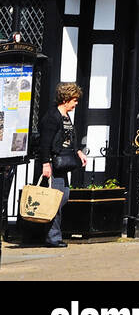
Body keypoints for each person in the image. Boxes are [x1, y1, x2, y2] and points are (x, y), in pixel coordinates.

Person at [38, 82, 87, 248]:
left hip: (63, 164)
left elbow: (70, 138)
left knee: (63, 195)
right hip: (53, 163)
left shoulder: (66, 116)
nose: (76, 103)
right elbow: (45, 143)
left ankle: (51, 235)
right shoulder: (52, 117)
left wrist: (78, 151)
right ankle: (52, 238)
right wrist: (46, 164)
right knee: (55, 200)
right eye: (74, 99)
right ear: (65, 99)